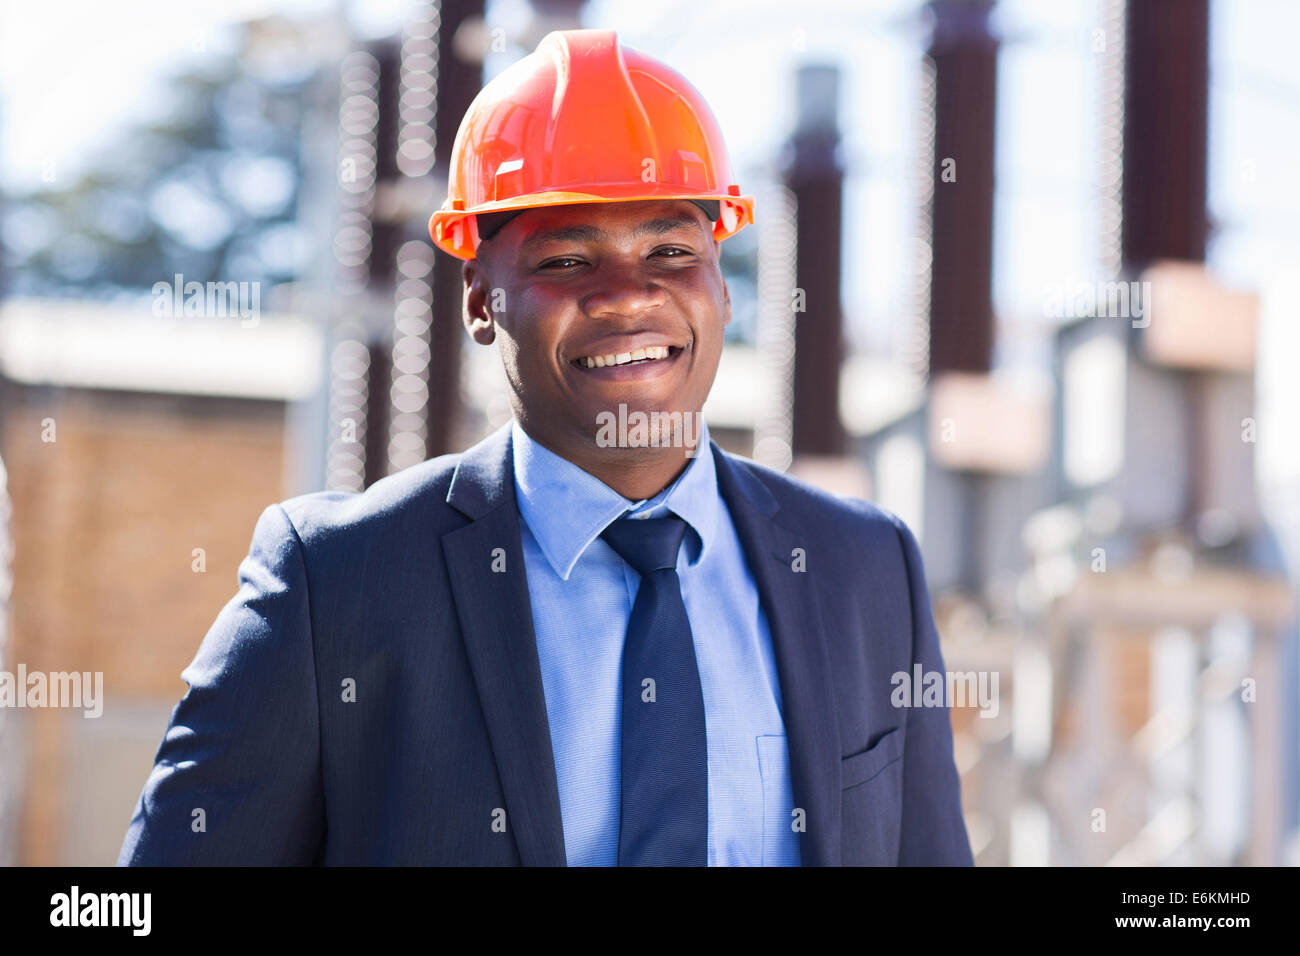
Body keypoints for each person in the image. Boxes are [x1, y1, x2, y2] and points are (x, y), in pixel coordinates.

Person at [118, 28, 973, 867]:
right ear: (481, 299)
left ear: (721, 280)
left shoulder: (864, 567)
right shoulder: (333, 584)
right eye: (567, 260)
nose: (628, 296)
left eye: (671, 250)